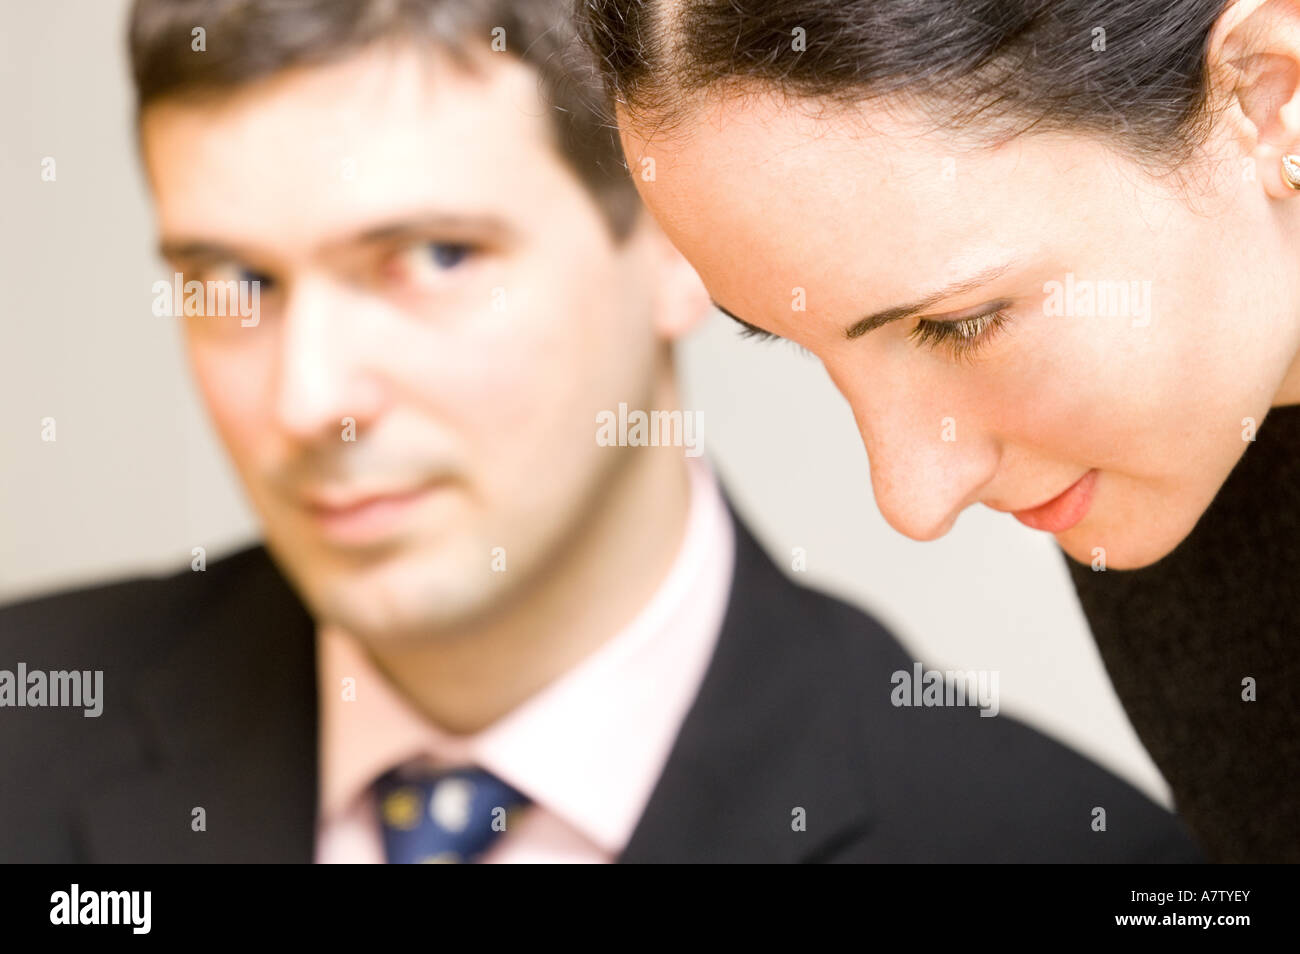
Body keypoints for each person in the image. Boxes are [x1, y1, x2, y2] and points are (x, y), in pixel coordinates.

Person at [0, 0, 1201, 864]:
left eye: (432, 258)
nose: (309, 399)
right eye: (232, 284)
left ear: (678, 245)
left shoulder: (1044, 845)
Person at [577, 0, 1300, 861]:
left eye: (961, 325)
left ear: (1267, 98)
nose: (912, 500)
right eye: (801, 347)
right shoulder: (1179, 478)